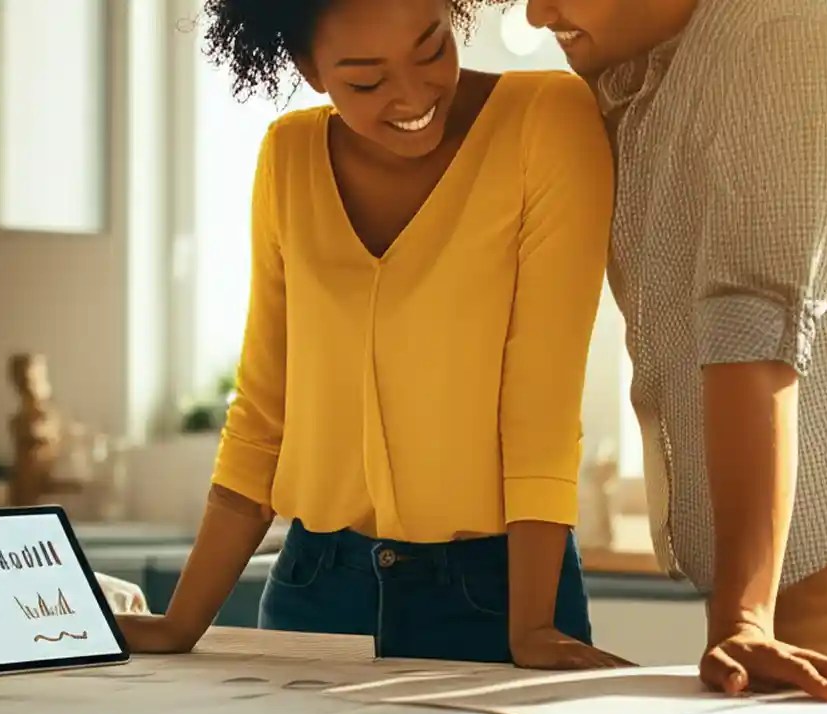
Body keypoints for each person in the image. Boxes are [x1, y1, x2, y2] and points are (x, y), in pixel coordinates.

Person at [117, 0, 628, 669]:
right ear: (310, 69)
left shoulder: (545, 119)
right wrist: (182, 622)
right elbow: (263, 415)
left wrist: (529, 626)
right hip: (314, 592)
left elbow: (542, 399)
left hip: (494, 593)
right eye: (366, 81)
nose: (413, 96)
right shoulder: (289, 157)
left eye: (431, 50)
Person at [524, 0, 827, 702]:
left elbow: (755, 323)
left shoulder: (784, 26)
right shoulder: (650, 63)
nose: (538, 15)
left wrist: (745, 615)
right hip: (767, 570)